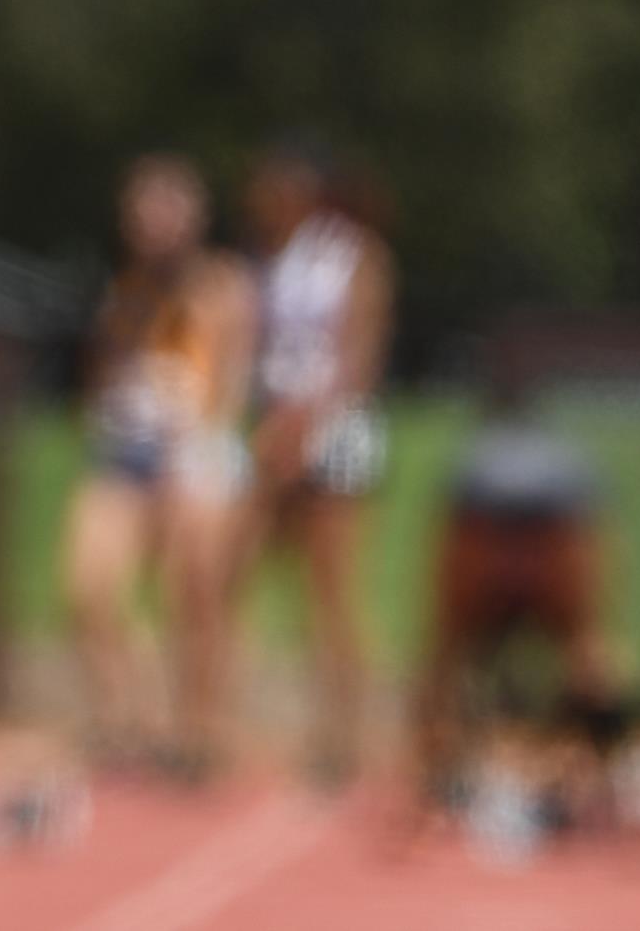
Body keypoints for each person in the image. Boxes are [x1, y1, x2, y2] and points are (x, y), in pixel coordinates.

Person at [62, 155, 254, 779]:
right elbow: (98, 379)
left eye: (167, 211)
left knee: (193, 588)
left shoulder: (223, 287)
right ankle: (129, 717)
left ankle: (201, 725)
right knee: (89, 582)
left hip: (199, 451)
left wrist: (192, 456)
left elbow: (230, 388)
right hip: (126, 452)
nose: (155, 225)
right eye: (143, 213)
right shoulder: (123, 292)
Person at [412, 338, 624, 828]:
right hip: (558, 530)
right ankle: (608, 784)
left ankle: (434, 777)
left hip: (483, 528)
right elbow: (598, 532)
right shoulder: (567, 457)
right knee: (589, 650)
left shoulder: (474, 452)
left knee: (445, 654)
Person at [234, 141, 393, 785]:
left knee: (334, 590)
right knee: (237, 568)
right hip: (277, 428)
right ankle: (235, 720)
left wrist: (303, 425)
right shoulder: (266, 259)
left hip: (336, 435)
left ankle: (345, 736)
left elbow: (356, 357)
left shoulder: (355, 257)